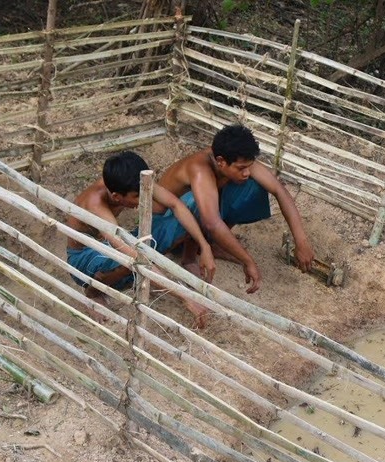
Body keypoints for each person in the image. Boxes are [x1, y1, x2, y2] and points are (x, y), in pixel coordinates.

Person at [66, 151, 217, 327]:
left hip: (114, 240)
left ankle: (131, 276)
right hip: (85, 257)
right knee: (129, 260)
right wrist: (185, 297)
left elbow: (175, 204)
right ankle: (93, 292)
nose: (143, 198)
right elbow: (133, 253)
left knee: (180, 218)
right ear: (116, 196)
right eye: (137, 196)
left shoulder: (131, 181)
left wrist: (204, 246)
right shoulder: (95, 204)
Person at [158, 123, 314, 293]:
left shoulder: (235, 159)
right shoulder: (200, 169)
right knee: (198, 200)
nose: (246, 172)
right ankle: (189, 257)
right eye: (241, 168)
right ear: (221, 161)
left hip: (197, 223)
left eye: (249, 166)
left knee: (253, 187)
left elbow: (279, 190)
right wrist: (248, 261)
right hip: (165, 226)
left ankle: (212, 244)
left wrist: (301, 241)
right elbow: (212, 223)